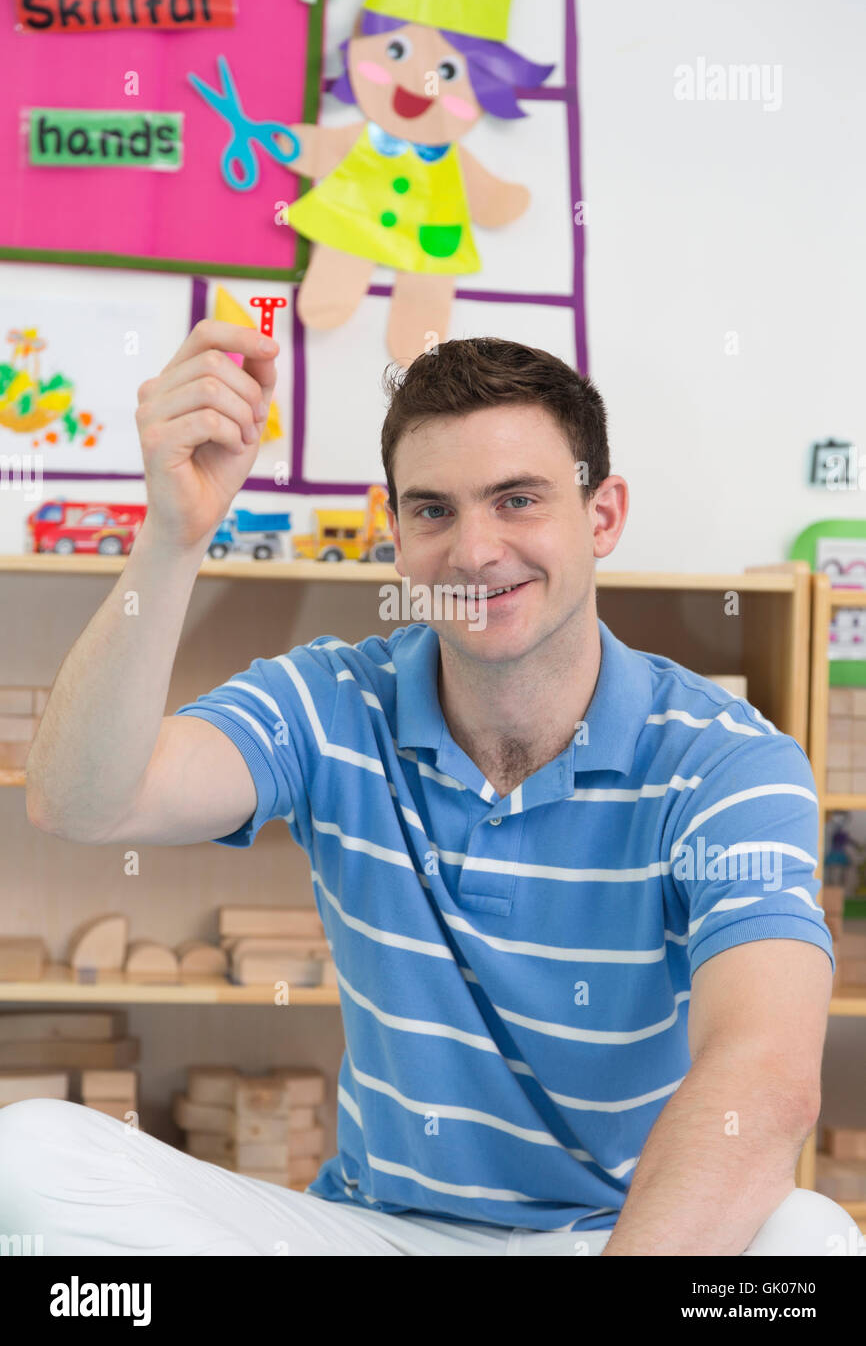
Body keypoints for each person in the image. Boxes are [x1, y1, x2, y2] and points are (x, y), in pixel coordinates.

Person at [10, 322, 859, 1257]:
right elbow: (81, 801)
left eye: (519, 499)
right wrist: (173, 534)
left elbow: (766, 1073)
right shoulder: (332, 701)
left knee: (810, 1241)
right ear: (398, 536)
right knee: (31, 1157)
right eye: (433, 511)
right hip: (376, 1235)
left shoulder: (729, 761)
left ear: (602, 515)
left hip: (622, 1243)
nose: (474, 551)